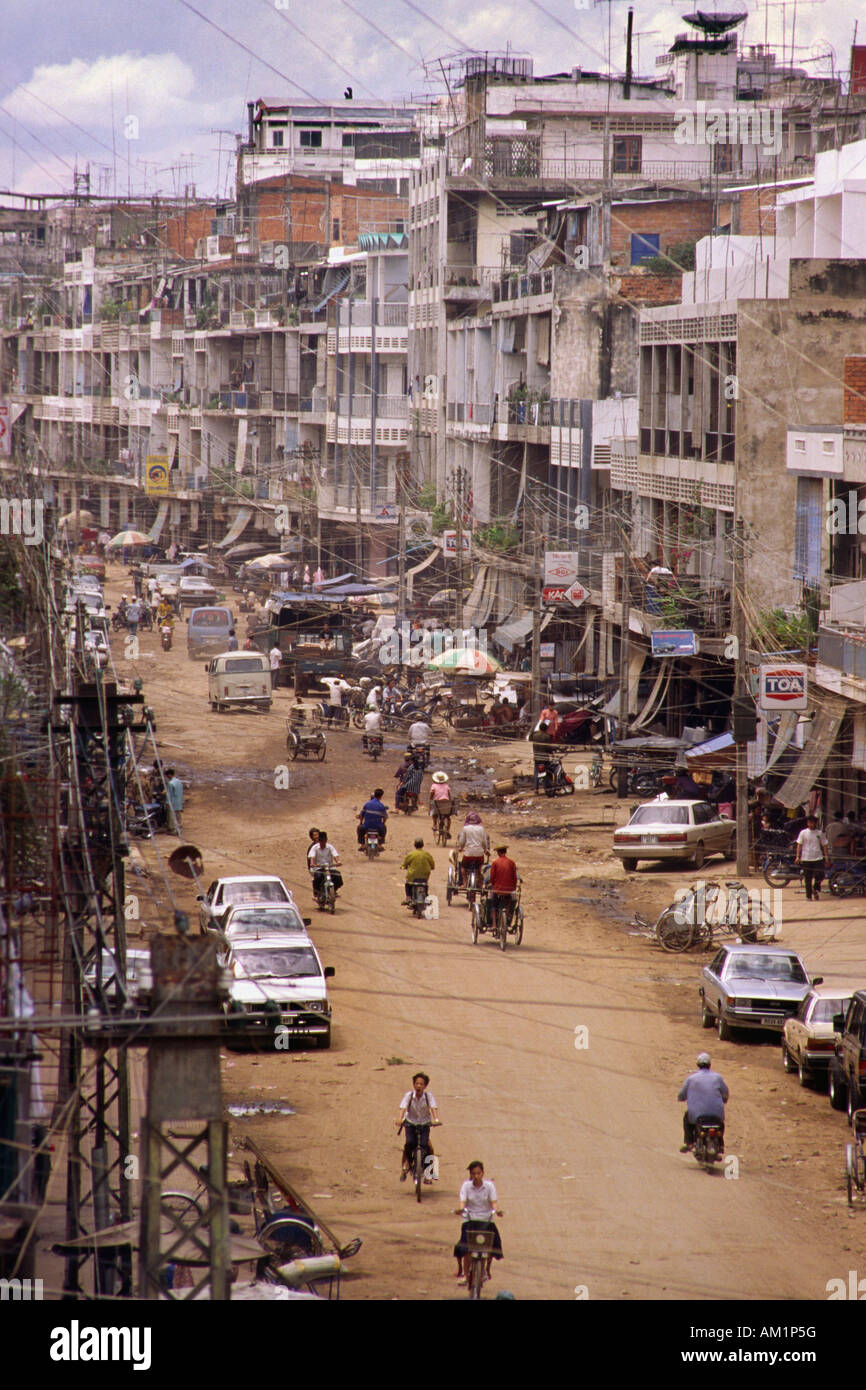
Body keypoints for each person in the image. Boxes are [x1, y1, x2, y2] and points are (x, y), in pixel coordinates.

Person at [453, 1162, 504, 1284]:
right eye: (474, 1173)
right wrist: (460, 1209)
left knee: (490, 1246)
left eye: (478, 1173)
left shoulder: (489, 1186)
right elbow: (462, 1202)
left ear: (483, 1173)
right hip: (470, 1220)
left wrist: (497, 1210)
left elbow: (494, 1203)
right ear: (470, 1174)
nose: (476, 1176)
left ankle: (486, 1270)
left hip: (486, 1221)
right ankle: (466, 1275)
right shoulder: (466, 1186)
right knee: (467, 1249)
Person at [678, 1052, 729, 1153]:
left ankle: (689, 1143)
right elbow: (725, 1093)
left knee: (687, 1118)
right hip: (717, 1114)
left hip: (696, 1115)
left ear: (698, 1065)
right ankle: (721, 1144)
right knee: (720, 1125)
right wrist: (724, 1099)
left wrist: (682, 1098)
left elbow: (681, 1095)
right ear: (710, 1064)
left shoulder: (691, 1079)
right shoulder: (717, 1078)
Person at [396, 1073, 440, 1182]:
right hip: (410, 1123)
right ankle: (405, 1167)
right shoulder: (409, 1096)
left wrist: (436, 1119)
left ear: (425, 1086)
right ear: (413, 1085)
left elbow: (433, 1108)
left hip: (424, 1123)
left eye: (421, 1084)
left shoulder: (428, 1097)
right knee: (409, 1143)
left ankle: (429, 1173)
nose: (419, 1086)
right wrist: (399, 1119)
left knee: (426, 1146)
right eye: (417, 1083)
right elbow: (403, 1108)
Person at [795, 814, 829, 902]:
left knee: (820, 875)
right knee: (808, 878)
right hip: (806, 858)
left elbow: (824, 845)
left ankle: (815, 888)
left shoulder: (819, 833)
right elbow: (799, 845)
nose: (810, 824)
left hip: (818, 857)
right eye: (809, 822)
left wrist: (826, 858)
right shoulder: (803, 833)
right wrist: (797, 856)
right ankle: (808, 896)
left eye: (812, 822)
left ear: (815, 823)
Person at [488, 844, 519, 928]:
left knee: (493, 903)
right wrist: (513, 887)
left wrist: (491, 884)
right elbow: (514, 877)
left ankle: (494, 924)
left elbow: (492, 878)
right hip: (509, 890)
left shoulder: (495, 862)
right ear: (505, 852)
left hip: (498, 890)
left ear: (498, 852)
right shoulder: (512, 862)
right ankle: (508, 915)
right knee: (509, 900)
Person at [456, 811, 490, 885]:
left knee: (463, 867)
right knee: (479, 868)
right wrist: (485, 850)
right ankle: (478, 882)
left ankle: (464, 883)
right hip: (479, 854)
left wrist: (460, 848)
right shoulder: (481, 829)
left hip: (468, 854)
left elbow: (462, 841)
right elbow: (484, 842)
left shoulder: (465, 828)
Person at [308, 830, 343, 897]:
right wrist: (312, 863)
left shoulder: (330, 847)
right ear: (319, 841)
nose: (322, 843)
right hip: (319, 868)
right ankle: (317, 894)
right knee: (317, 878)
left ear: (326, 840)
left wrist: (338, 861)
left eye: (324, 841)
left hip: (329, 867)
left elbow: (335, 854)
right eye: (321, 841)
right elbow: (312, 856)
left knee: (338, 877)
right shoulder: (315, 847)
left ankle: (333, 890)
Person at [402, 837, 434, 905]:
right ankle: (426, 896)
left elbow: (405, 864)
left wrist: (403, 867)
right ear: (423, 845)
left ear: (414, 845)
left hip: (413, 876)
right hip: (425, 876)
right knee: (425, 884)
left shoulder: (411, 854)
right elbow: (432, 865)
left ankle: (408, 897)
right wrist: (431, 867)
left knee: (408, 884)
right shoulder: (427, 854)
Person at [429, 771, 453, 836]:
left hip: (437, 804)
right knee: (448, 818)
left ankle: (434, 825)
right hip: (446, 804)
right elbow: (449, 795)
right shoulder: (447, 785)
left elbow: (431, 795)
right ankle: (447, 830)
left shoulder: (433, 786)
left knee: (434, 814)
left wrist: (430, 802)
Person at [165, 767, 183, 836]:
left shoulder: (170, 783)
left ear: (169, 775)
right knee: (178, 816)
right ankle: (179, 829)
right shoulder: (179, 781)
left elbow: (169, 794)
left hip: (172, 802)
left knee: (172, 817)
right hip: (179, 801)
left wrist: (167, 803)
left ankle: (173, 830)